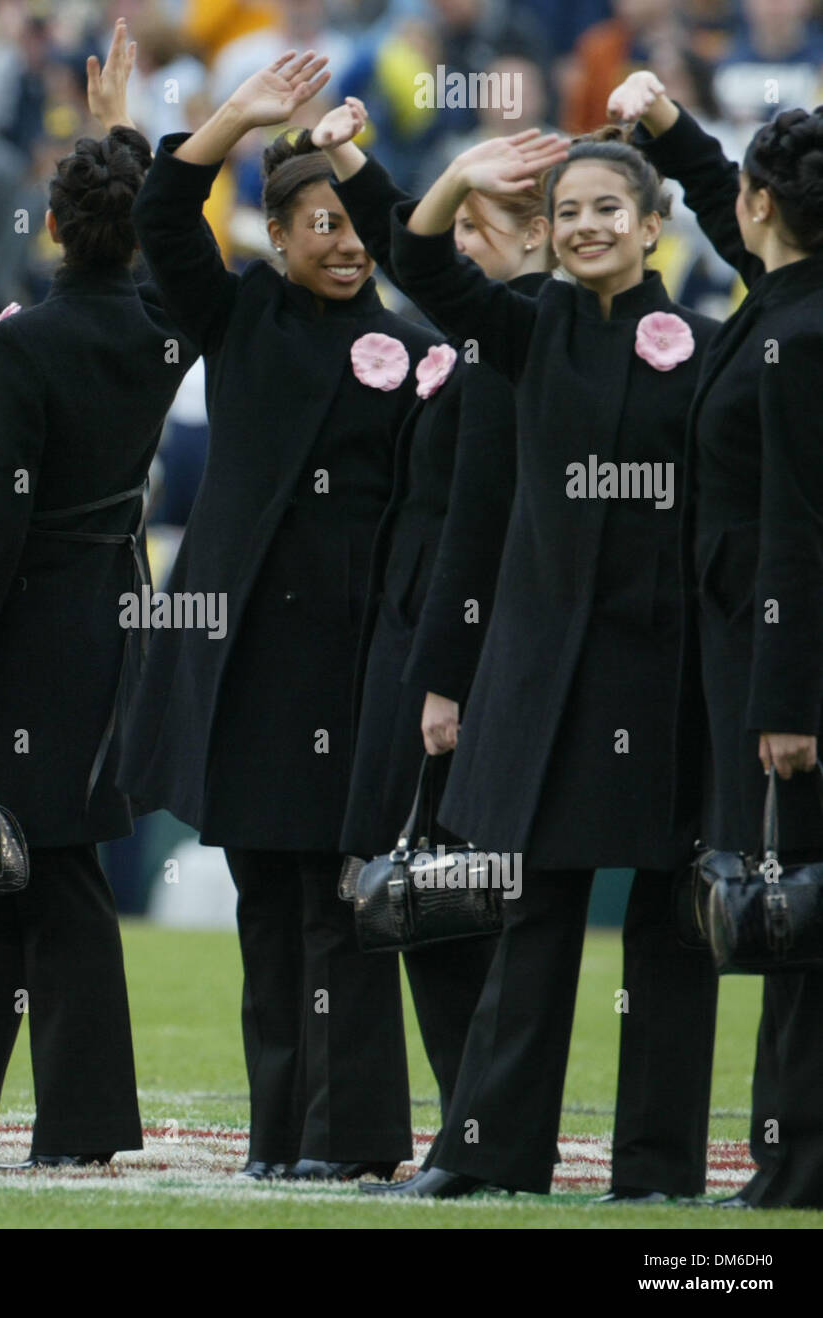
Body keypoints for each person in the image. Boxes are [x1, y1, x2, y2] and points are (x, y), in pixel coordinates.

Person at [378, 123, 722, 1200]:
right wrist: (456, 180)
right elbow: (422, 263)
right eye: (566, 212)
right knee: (531, 918)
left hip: (669, 682)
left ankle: (658, 1170)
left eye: (605, 210)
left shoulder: (707, 346)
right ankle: (485, 1155)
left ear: (653, 226)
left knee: (669, 925)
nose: (583, 227)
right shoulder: (519, 330)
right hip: (542, 674)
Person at [117, 52, 444, 1182]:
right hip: (251, 663)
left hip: (358, 663)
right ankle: (278, 1141)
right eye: (319, 223)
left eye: (355, 222)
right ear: (276, 232)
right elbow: (162, 213)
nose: (346, 243)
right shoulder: (241, 310)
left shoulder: (416, 350)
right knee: (269, 904)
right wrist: (233, 117)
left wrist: (356, 164)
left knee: (342, 904)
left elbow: (414, 244)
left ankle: (349, 1142)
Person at [0, 21, 194, 1170]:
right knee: (11, 860)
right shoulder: (163, 327)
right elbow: (166, 249)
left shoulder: (21, 341)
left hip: (30, 622)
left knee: (46, 860)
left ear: (57, 225)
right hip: (115, 609)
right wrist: (121, 132)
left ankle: (70, 1127)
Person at [312, 96, 553, 1138]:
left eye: (478, 229)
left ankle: (478, 1127)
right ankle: (467, 1122)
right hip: (417, 640)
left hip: (453, 655)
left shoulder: (516, 341)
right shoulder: (482, 337)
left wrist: (443, 678)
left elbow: (475, 524)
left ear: (535, 237)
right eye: (454, 231)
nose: (456, 251)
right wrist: (351, 157)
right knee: (419, 899)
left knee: (448, 903)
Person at [616, 69, 823, 1211]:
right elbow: (720, 202)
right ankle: (789, 1158)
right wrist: (668, 128)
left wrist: (786, 703)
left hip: (784, 665)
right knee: (794, 920)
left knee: (800, 920)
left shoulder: (802, 330)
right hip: (757, 653)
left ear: (763, 205)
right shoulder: (786, 297)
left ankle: (797, 1164)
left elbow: (799, 529)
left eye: (739, 191)